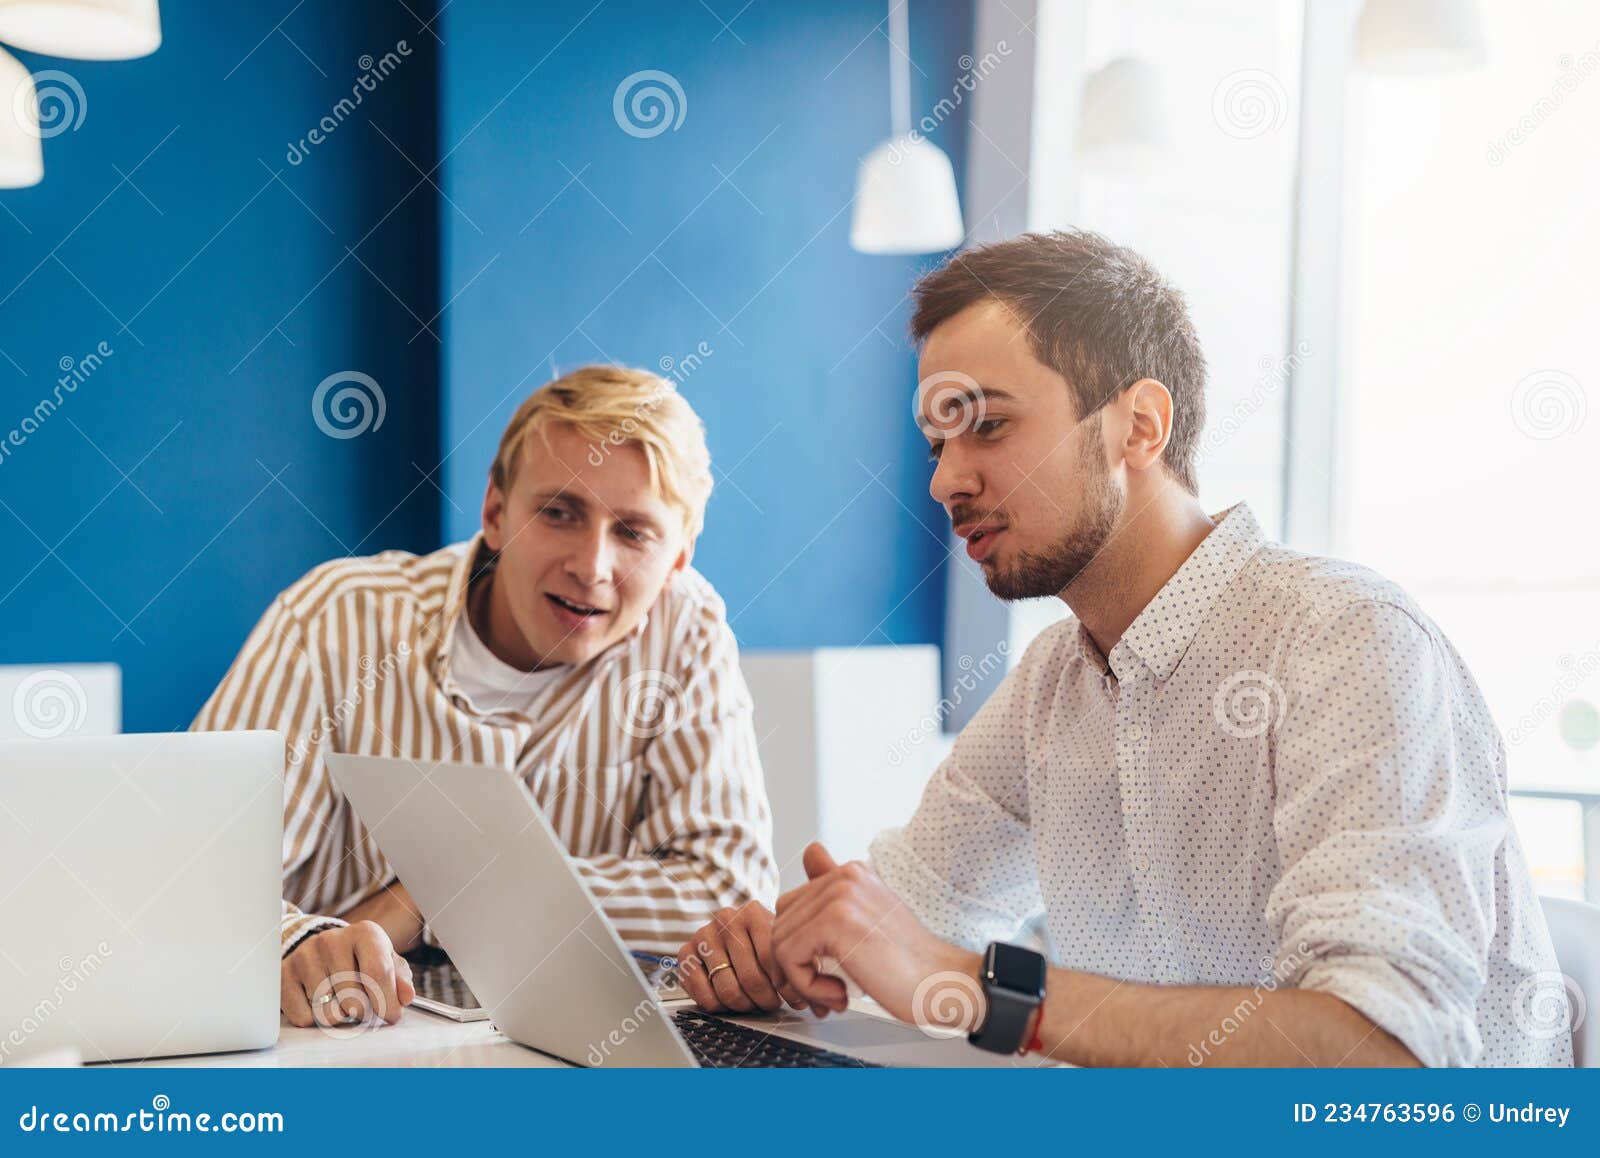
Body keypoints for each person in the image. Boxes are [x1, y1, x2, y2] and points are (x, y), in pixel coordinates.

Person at [677, 231, 1571, 1068]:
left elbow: (1389, 1054)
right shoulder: (1056, 684)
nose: (947, 479)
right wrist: (787, 950)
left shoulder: (1346, 642)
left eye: (987, 425)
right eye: (938, 440)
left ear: (1139, 426)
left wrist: (985, 992)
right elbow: (902, 918)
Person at [196, 366, 776, 1030]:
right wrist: (297, 941)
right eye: (560, 512)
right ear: (496, 514)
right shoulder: (336, 620)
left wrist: (443, 895)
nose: (592, 567)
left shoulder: (686, 631)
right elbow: (195, 871)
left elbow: (726, 898)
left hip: (551, 1052)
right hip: (325, 1040)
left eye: (634, 533)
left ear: (679, 559)